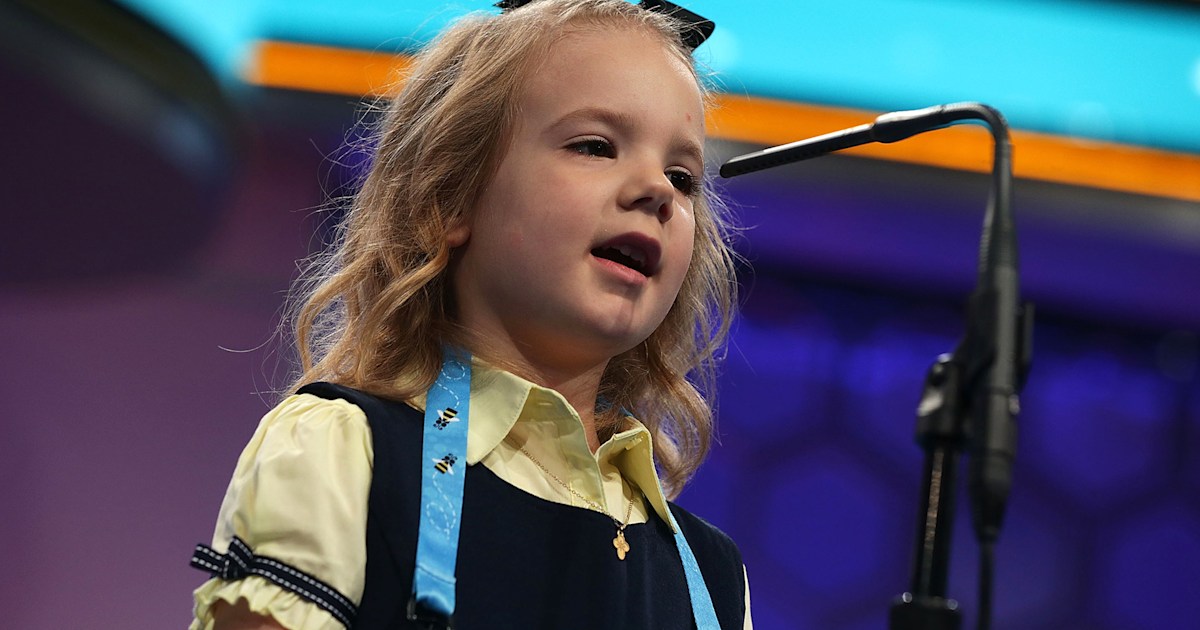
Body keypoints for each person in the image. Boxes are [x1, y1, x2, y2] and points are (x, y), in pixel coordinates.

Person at [188, 1, 749, 628]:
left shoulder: (714, 577)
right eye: (595, 145)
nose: (658, 190)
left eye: (684, 176)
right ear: (450, 197)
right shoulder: (346, 451)